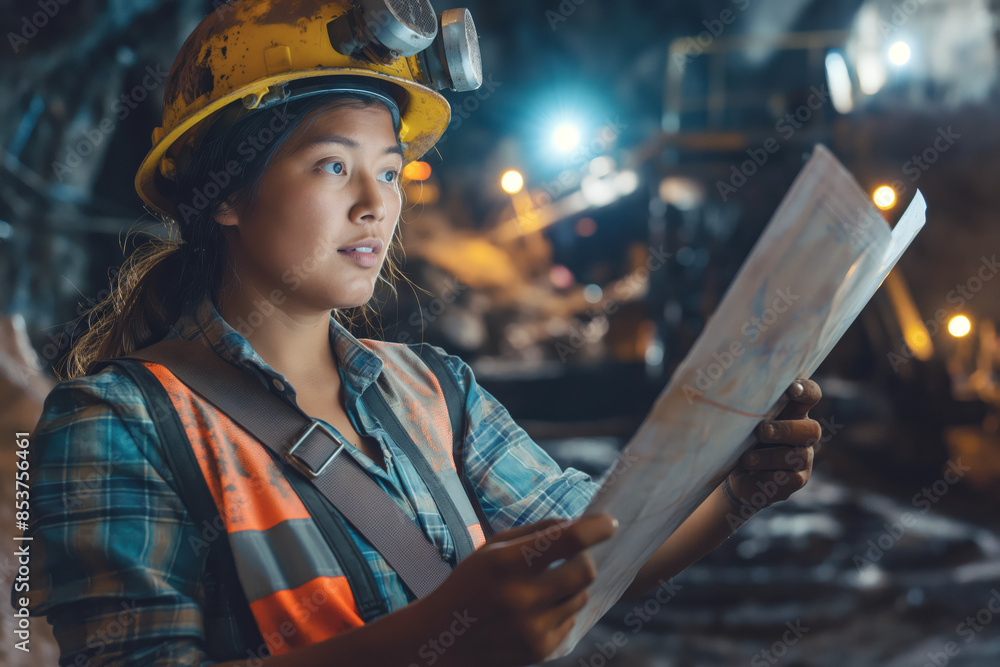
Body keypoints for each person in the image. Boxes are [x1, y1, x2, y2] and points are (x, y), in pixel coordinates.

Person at [12, 1, 823, 665]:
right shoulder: (117, 423)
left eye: (391, 170)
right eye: (333, 165)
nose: (377, 203)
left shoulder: (433, 387)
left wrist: (735, 491)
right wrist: (445, 638)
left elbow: (597, 548)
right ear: (224, 189)